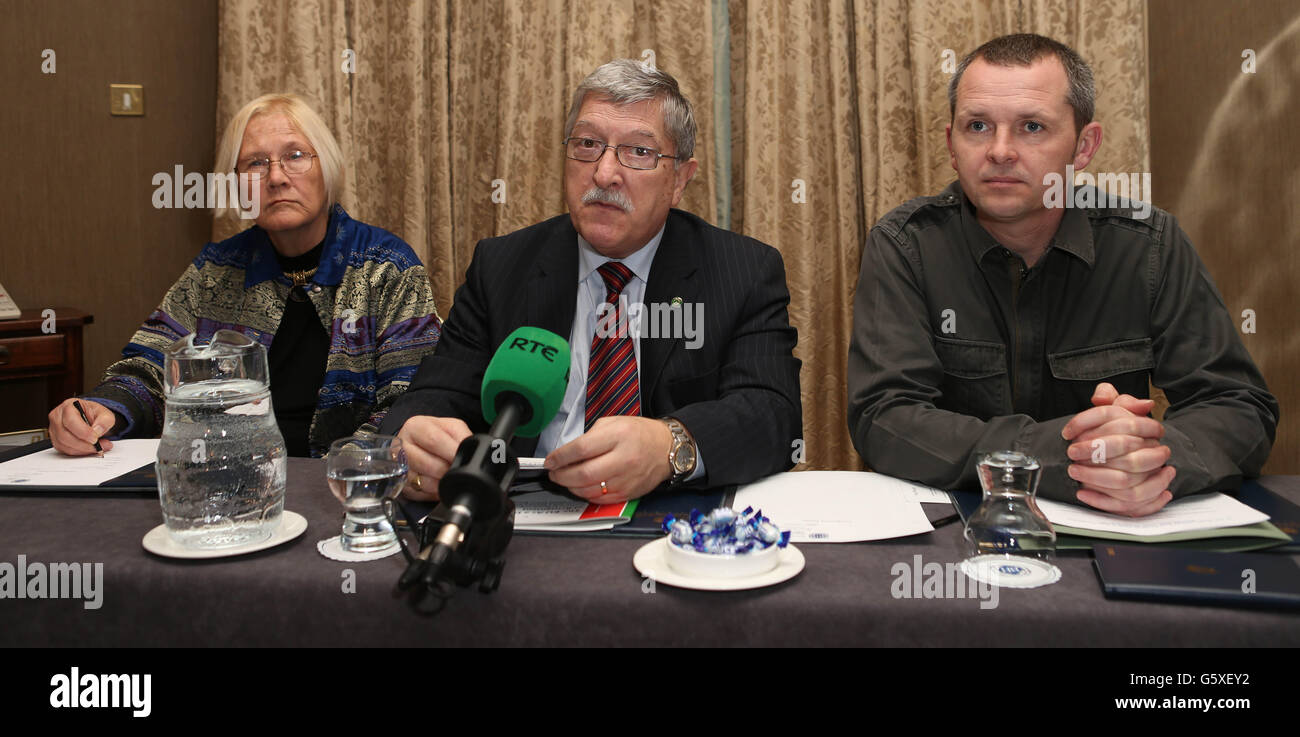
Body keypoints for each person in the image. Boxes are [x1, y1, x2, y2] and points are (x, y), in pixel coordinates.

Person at [847, 34, 1278, 517]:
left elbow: (1240, 408)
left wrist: (1150, 459)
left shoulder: (1149, 244)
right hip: (959, 531)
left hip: (1119, 527)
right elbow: (883, 417)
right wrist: (1060, 454)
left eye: (1031, 127)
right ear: (952, 144)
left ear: (1084, 145)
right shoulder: (905, 244)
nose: (1000, 151)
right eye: (978, 126)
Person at [382, 59, 802, 504]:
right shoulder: (502, 265)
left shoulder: (743, 271)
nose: (604, 174)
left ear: (680, 179)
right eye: (587, 144)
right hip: (520, 511)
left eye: (638, 151)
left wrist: (670, 444)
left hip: (669, 515)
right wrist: (413, 440)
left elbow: (773, 416)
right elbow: (436, 395)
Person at [48, 93, 442, 458]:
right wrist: (105, 408)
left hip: (347, 483)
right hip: (227, 478)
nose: (276, 177)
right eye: (255, 163)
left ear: (327, 167)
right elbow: (150, 367)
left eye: (295, 156)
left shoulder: (387, 267)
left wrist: (343, 469)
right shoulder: (216, 270)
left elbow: (410, 398)